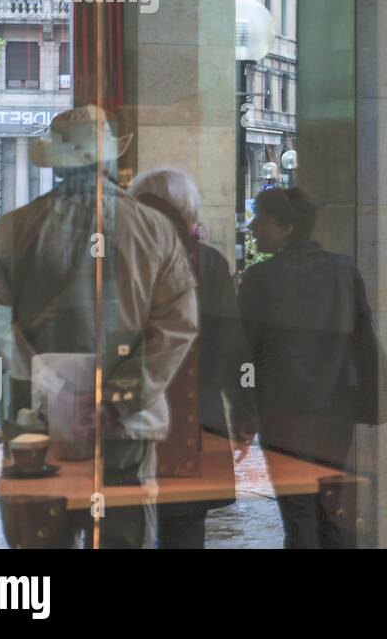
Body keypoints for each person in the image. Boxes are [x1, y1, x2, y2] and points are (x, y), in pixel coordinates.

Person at [0, 106, 199, 548]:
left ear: (54, 163)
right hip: (124, 430)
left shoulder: (13, 230)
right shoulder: (154, 230)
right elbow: (176, 326)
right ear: (107, 159)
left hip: (32, 427)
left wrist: (46, 390)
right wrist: (116, 400)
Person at [238, 187, 379, 548]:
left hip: (284, 412)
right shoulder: (344, 270)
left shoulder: (260, 279)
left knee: (299, 510)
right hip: (336, 409)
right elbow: (364, 340)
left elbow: (246, 354)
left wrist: (245, 415)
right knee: (335, 506)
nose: (252, 227)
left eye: (262, 219)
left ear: (286, 227)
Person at [132, 167, 256, 549]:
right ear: (188, 210)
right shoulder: (208, 264)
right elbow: (231, 348)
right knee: (184, 531)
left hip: (121, 426)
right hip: (192, 427)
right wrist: (245, 415)